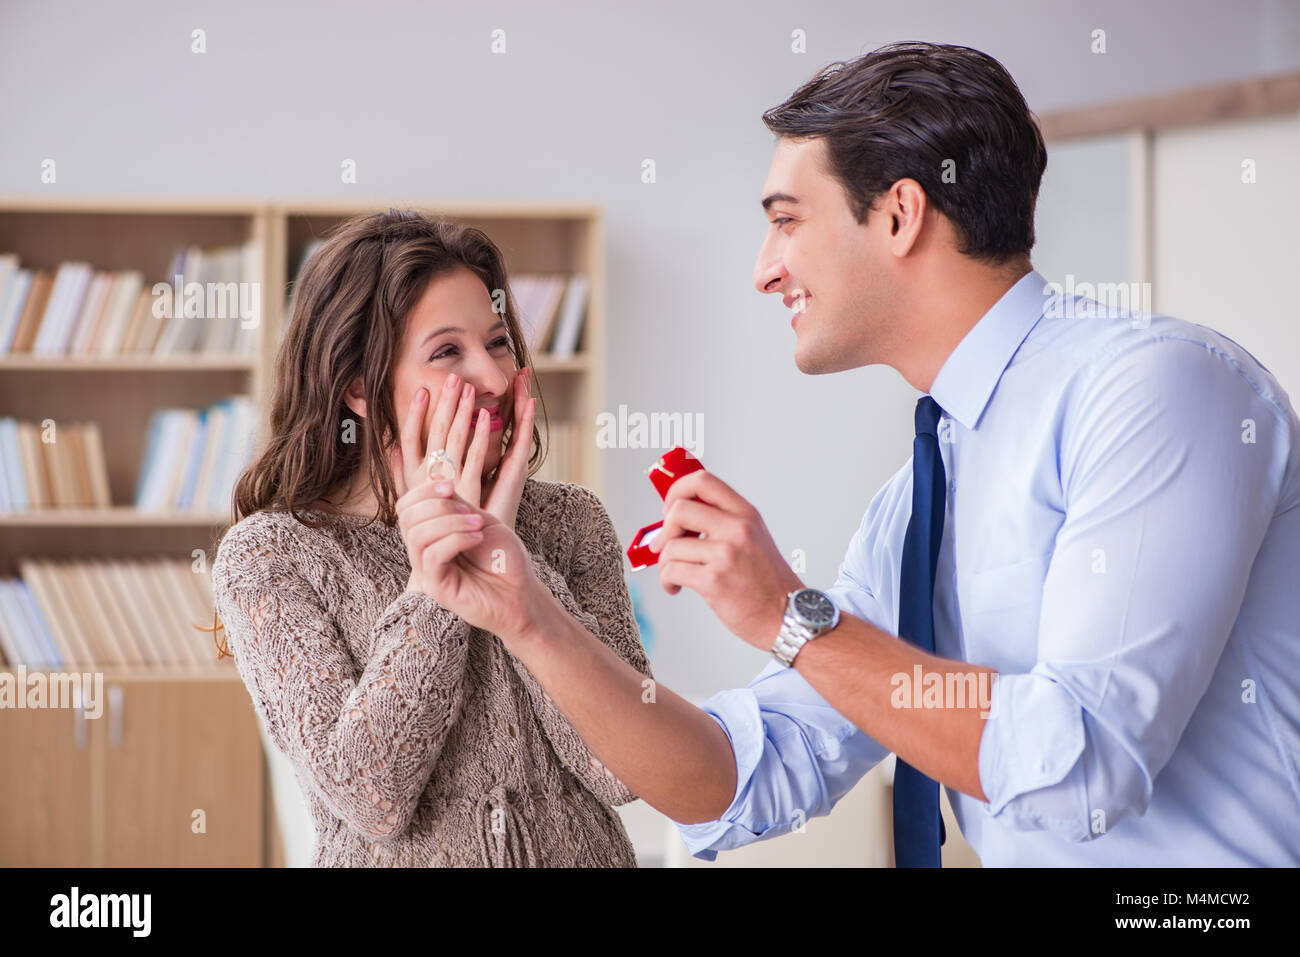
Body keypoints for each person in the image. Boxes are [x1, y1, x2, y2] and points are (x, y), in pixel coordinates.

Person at [407, 41, 1300, 866]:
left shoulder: (1157, 390)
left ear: (902, 213)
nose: (764, 268)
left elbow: (1083, 762)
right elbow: (742, 776)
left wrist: (791, 617)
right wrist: (528, 614)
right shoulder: (920, 496)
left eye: (787, 220)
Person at [210, 210, 653, 867]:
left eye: (499, 342)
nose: (497, 378)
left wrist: (512, 567)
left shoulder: (572, 522)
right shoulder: (271, 555)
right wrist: (435, 584)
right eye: (449, 351)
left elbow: (624, 769)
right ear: (360, 387)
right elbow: (370, 798)